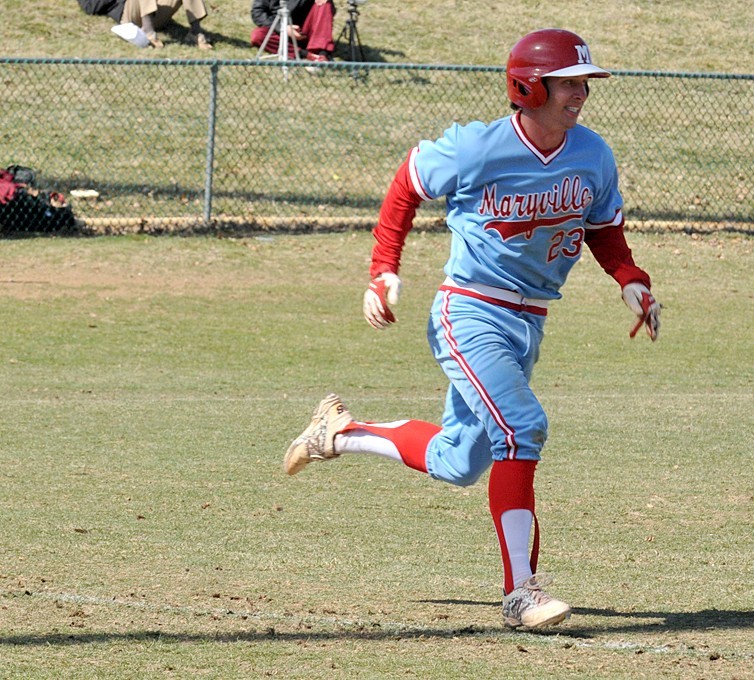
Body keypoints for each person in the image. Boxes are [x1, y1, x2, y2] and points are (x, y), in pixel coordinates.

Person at [283, 28, 661, 630]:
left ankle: (340, 432)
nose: (580, 93)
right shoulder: (476, 149)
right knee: (523, 427)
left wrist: (629, 277)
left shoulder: (592, 154)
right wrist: (384, 271)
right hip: (471, 310)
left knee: (459, 460)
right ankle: (522, 594)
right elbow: (407, 181)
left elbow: (603, 227)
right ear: (528, 86)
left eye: (583, 82)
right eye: (567, 82)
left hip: (529, 321)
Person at [77, 0, 213, 49]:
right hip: (129, 14)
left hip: (155, 12)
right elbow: (90, 7)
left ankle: (195, 33)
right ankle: (148, 33)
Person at [250, 0, 336, 63]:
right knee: (258, 36)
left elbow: (327, 11)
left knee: (324, 3)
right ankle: (307, 55)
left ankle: (322, 55)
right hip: (281, 31)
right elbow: (258, 13)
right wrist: (282, 28)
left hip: (307, 31)